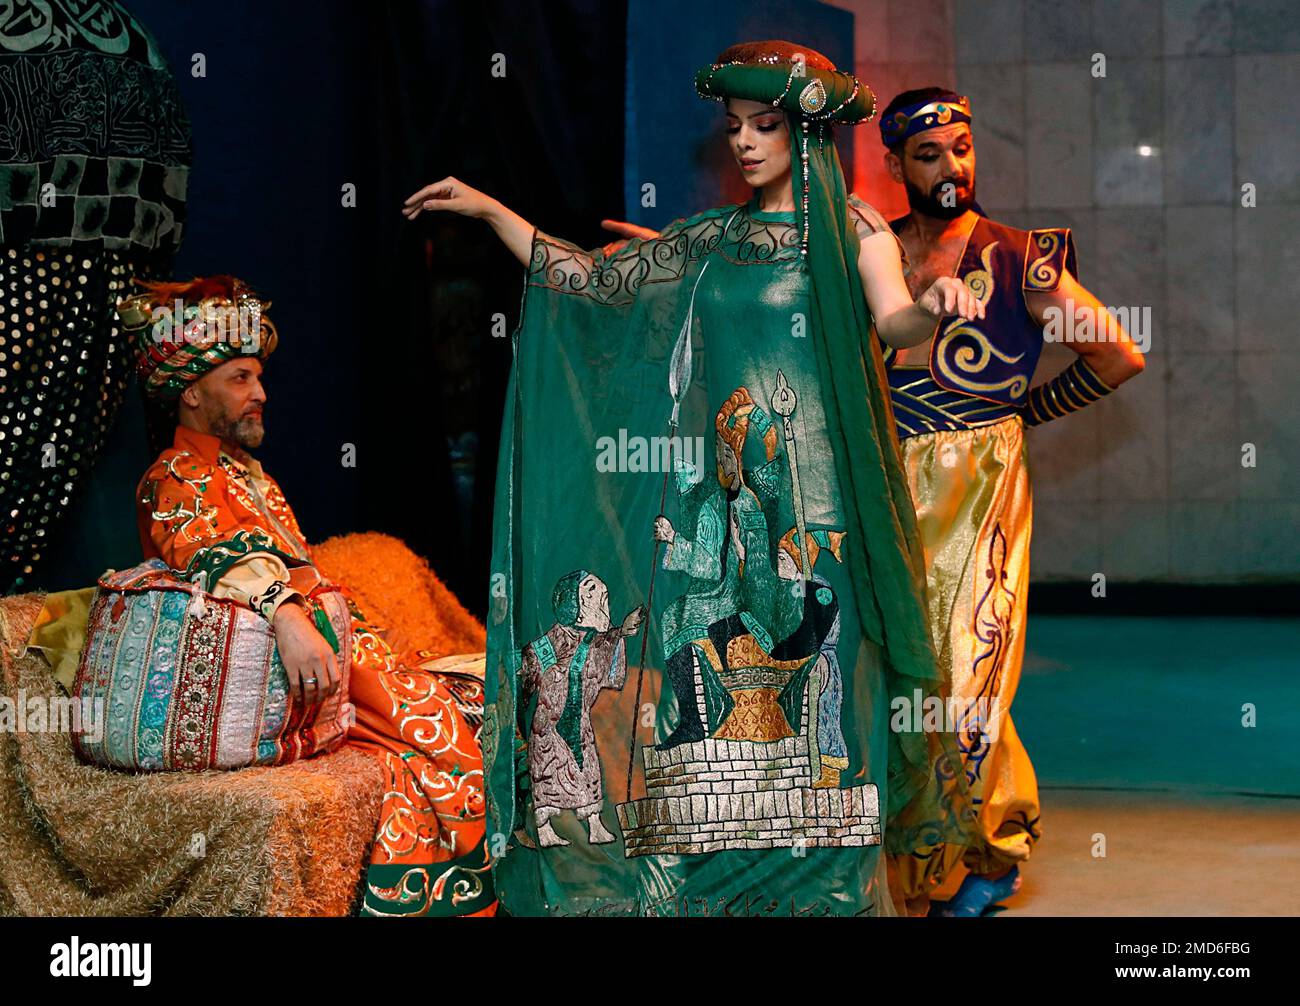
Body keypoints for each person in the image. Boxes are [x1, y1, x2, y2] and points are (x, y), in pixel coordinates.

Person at [404, 40, 983, 917]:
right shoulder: (710, 239)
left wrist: (933, 307)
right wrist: (492, 212)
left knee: (824, 693)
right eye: (735, 128)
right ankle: (718, 896)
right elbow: (593, 284)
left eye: (766, 126)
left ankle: (833, 896)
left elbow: (893, 319)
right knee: (709, 696)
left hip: (821, 504)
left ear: (809, 133)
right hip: (720, 497)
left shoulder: (853, 230)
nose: (745, 143)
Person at [121, 275, 496, 917]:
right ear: (190, 392)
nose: (261, 393)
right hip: (297, 672)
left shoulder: (246, 475)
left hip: (348, 657)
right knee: (453, 734)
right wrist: (291, 616)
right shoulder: (174, 474)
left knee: (496, 696)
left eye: (258, 378)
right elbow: (207, 557)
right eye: (240, 378)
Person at [876, 88, 1146, 916]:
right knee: (898, 677)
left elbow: (1118, 355)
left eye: (963, 148)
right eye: (930, 154)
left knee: (969, 677)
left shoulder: (1018, 257)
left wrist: (1025, 413)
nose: (952, 165)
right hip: (885, 485)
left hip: (976, 488)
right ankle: (922, 852)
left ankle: (993, 852)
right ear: (894, 165)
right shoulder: (873, 254)